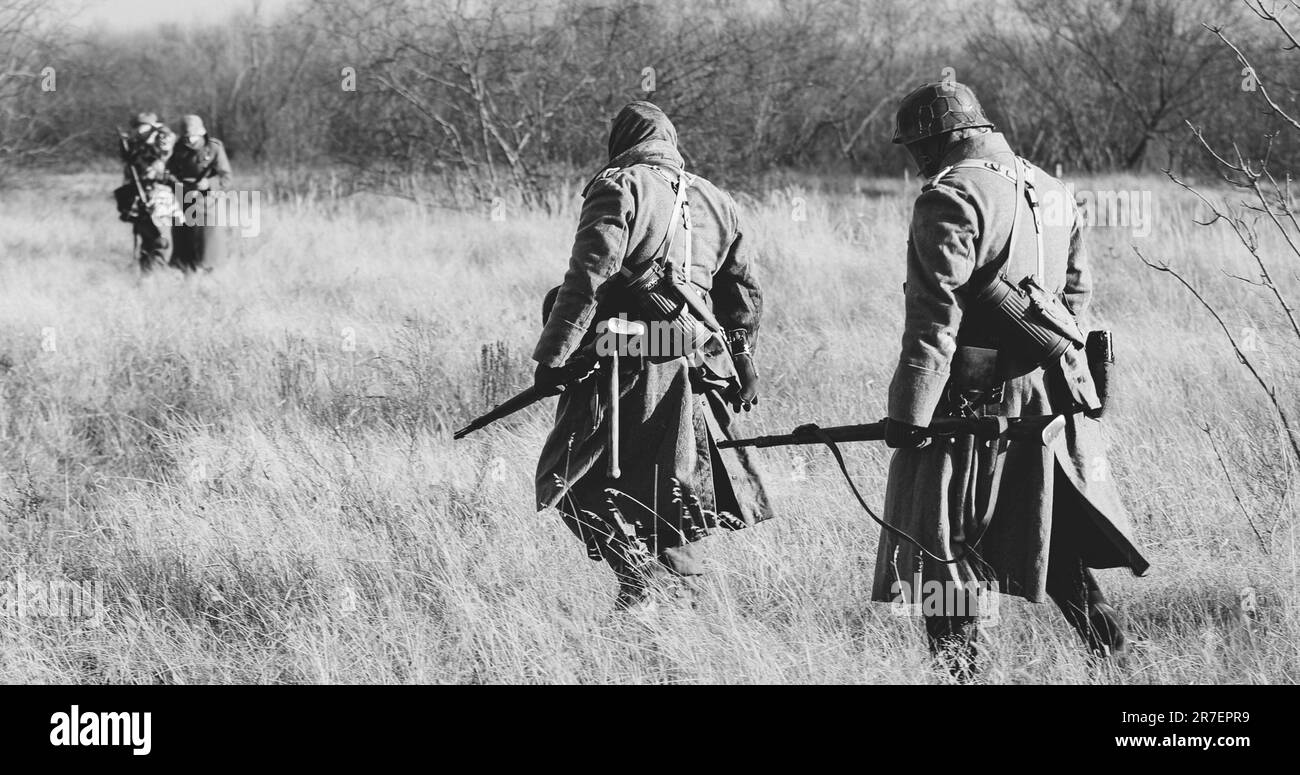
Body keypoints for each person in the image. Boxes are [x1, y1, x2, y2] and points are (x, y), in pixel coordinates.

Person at [877, 81, 1148, 676]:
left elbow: (934, 315)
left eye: (917, 147)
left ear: (941, 139)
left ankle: (962, 672)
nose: (916, 161)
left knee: (940, 546)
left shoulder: (950, 197)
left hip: (966, 403)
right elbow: (1075, 295)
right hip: (1045, 398)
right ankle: (1113, 653)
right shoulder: (1051, 189)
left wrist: (911, 412)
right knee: (1045, 531)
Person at [531, 101, 772, 612]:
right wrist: (744, 359)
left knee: (569, 478)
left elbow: (587, 278)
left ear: (622, 140)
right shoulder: (716, 198)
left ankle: (646, 586)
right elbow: (741, 293)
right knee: (673, 485)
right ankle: (666, 595)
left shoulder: (619, 185)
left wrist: (553, 357)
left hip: (622, 361)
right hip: (693, 364)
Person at [167, 114, 231, 272]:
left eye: (193, 136)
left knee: (209, 246)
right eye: (186, 137)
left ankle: (209, 278)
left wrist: (208, 183)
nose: (189, 140)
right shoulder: (177, 147)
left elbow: (226, 177)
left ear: (201, 133)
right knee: (184, 245)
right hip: (183, 199)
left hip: (208, 202)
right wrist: (176, 183)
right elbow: (169, 172)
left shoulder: (214, 147)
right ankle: (187, 276)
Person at [115, 112, 178, 272]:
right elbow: (129, 167)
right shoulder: (133, 143)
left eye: (143, 128)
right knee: (145, 234)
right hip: (138, 194)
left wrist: (156, 167)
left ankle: (159, 269)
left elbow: (165, 157)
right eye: (138, 128)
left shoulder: (163, 137)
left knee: (161, 237)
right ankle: (147, 272)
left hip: (158, 192)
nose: (139, 131)